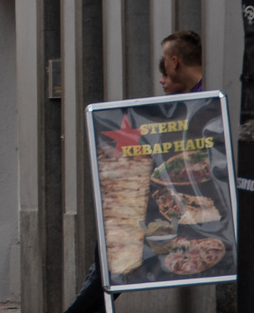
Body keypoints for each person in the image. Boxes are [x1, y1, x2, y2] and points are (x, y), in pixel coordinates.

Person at [65, 30, 205, 313]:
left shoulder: (201, 105)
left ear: (174, 61)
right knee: (108, 272)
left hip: (169, 211)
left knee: (108, 274)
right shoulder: (174, 107)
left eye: (164, 67)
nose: (161, 78)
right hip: (143, 207)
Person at [158, 29, 204, 94]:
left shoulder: (207, 97)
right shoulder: (204, 92)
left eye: (165, 59)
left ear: (174, 62)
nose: (161, 80)